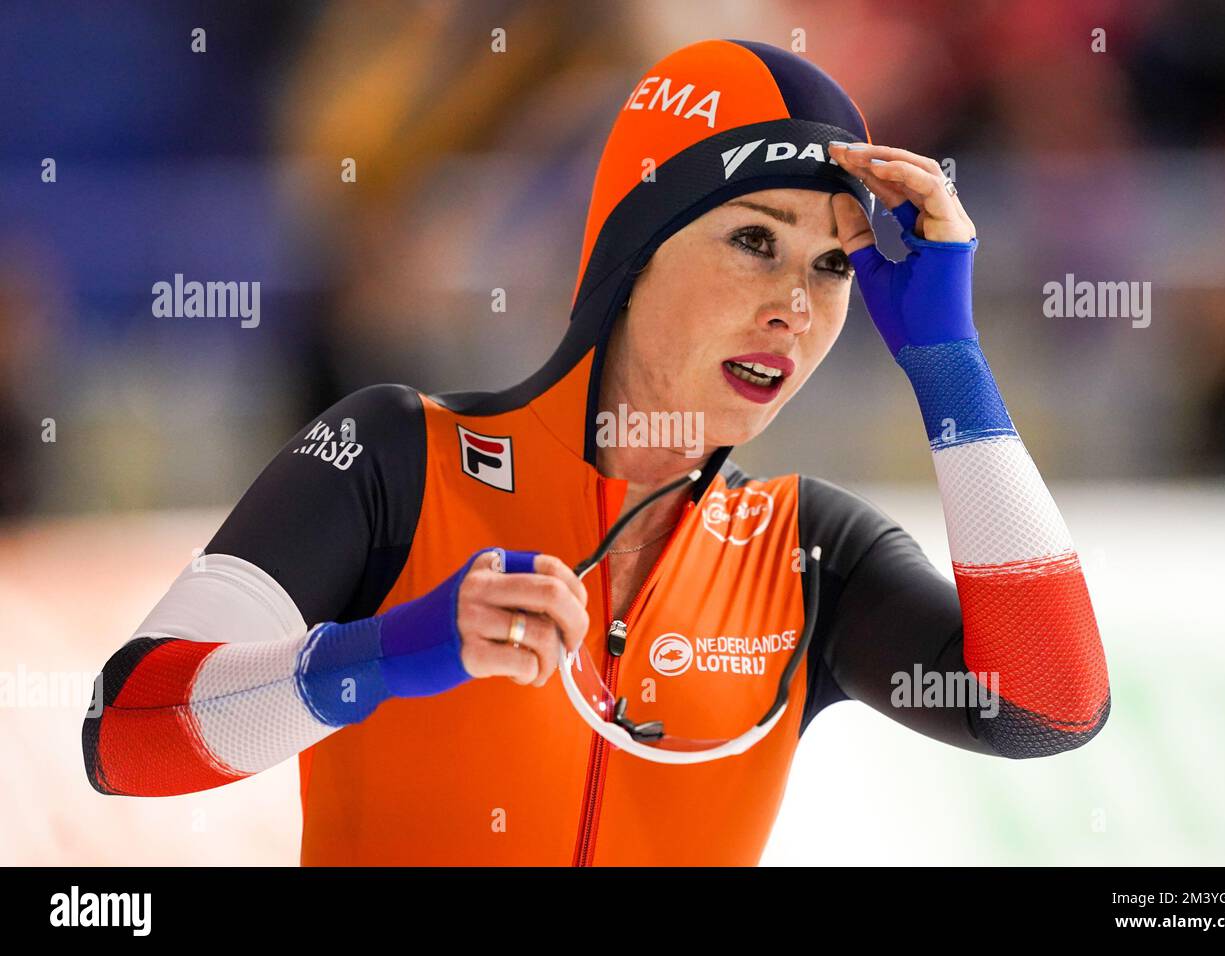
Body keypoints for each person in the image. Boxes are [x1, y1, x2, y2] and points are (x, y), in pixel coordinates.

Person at [82, 39, 1110, 865]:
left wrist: (947, 360)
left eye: (834, 263)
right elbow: (123, 735)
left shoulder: (809, 554)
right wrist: (400, 651)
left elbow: (1048, 707)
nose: (795, 307)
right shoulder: (394, 456)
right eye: (755, 240)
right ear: (633, 247)